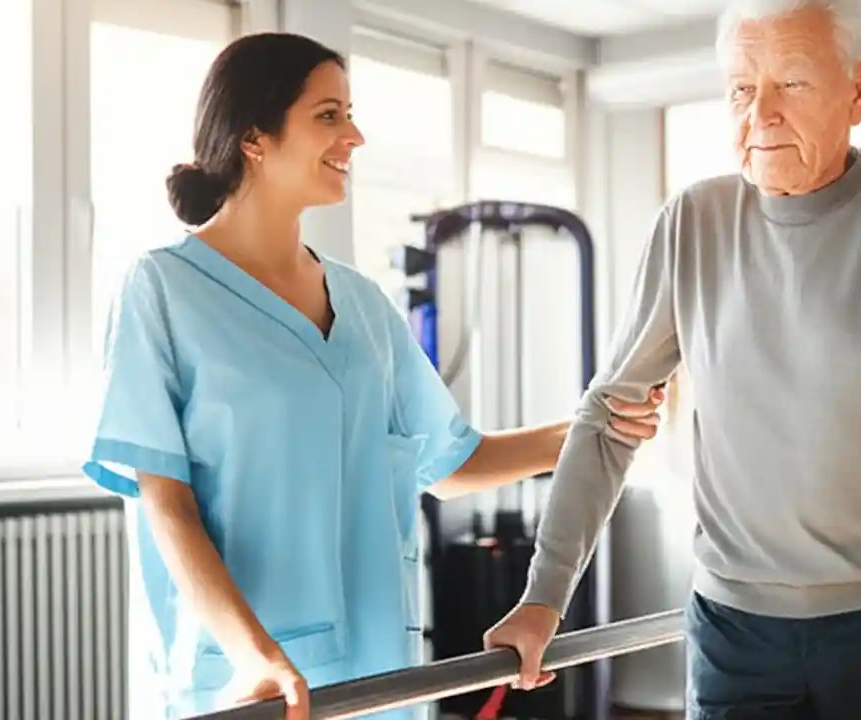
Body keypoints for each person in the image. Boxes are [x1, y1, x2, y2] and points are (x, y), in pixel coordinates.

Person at [80, 32, 664, 720]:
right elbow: (166, 504)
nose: (354, 136)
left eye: (350, 114)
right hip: (245, 679)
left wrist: (592, 427)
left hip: (377, 671)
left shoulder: (362, 304)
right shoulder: (162, 292)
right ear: (253, 137)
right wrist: (253, 653)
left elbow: (450, 461)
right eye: (329, 115)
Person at [482, 1, 861, 719]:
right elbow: (609, 417)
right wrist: (543, 598)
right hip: (734, 631)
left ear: (860, 89)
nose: (762, 113)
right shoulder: (692, 222)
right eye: (742, 88)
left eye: (794, 83)